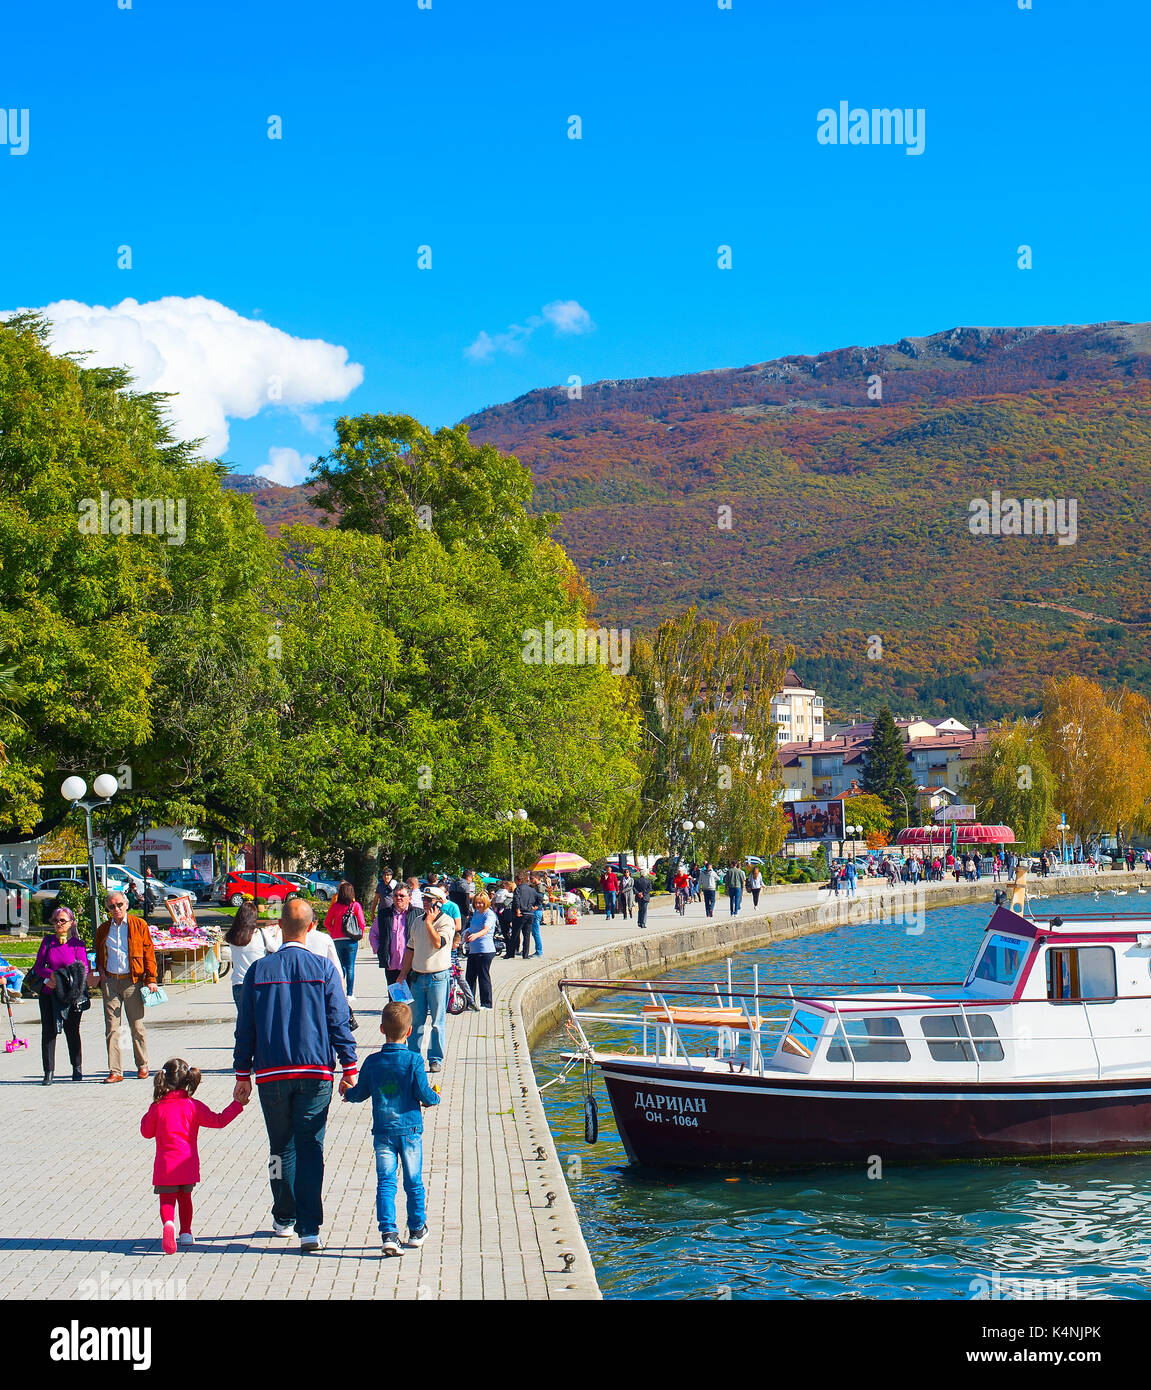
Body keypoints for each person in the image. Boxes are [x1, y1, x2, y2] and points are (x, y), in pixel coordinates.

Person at [233, 897, 357, 1252]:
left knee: (278, 1148)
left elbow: (246, 1028)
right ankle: (309, 1226)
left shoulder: (258, 971)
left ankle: (283, 1215)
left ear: (279, 928)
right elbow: (338, 1020)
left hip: (270, 1074)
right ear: (312, 927)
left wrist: (242, 1074)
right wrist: (350, 1067)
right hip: (316, 1072)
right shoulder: (323, 968)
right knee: (310, 1147)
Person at [343, 1001, 439, 1255]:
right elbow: (424, 1094)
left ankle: (389, 1233)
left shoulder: (372, 1062)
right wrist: (435, 1097)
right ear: (409, 1032)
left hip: (383, 1132)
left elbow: (360, 1093)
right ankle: (417, 1229)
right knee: (413, 1181)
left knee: (386, 1182)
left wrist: (347, 1093)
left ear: (382, 1028)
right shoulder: (414, 1061)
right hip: (410, 1130)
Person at [141, 1057, 244, 1253]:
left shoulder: (158, 1107)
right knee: (185, 1198)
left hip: (165, 1165)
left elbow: (146, 1132)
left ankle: (169, 1224)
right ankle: (186, 1233)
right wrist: (237, 1105)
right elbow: (219, 1120)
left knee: (167, 1200)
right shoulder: (192, 1106)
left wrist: (147, 1114)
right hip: (187, 1164)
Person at [94, 890, 159, 1083]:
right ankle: (116, 1071)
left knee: (136, 1026)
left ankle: (142, 1064)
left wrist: (151, 978)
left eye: (119, 905)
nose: (116, 909)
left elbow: (149, 952)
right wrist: (101, 972)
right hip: (111, 982)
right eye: (112, 906)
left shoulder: (139, 925)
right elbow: (99, 952)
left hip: (133, 980)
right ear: (107, 909)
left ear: (126, 905)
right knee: (112, 1028)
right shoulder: (104, 929)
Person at [31, 904, 90, 1084]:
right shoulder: (48, 942)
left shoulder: (77, 944)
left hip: (71, 994)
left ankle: (77, 1068)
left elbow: (83, 968)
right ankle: (48, 1072)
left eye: (62, 921)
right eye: (55, 921)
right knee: (48, 1032)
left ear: (71, 923)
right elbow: (39, 966)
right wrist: (52, 976)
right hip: (49, 992)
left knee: (72, 1032)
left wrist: (63, 979)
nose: (58, 924)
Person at [397, 891, 452, 1074]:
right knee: (416, 1021)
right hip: (418, 976)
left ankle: (435, 1058)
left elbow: (438, 943)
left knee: (437, 1022)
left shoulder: (446, 921)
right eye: (424, 900)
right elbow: (410, 949)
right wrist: (402, 973)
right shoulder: (417, 921)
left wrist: (429, 923)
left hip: (438, 977)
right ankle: (413, 1057)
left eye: (429, 900)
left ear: (439, 903)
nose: (425, 903)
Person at [224, 903, 280, 1011]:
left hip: (238, 983)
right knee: (260, 1020)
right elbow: (276, 949)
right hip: (259, 982)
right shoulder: (260, 934)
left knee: (244, 1022)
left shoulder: (231, 936)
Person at [323, 882, 365, 1004]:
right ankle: (350, 993)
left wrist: (333, 932)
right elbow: (362, 922)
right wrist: (360, 934)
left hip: (337, 939)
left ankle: (339, 991)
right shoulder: (355, 905)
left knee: (339, 966)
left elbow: (327, 922)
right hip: (351, 939)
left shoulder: (335, 906)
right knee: (350, 966)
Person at [373, 881, 416, 986]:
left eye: (402, 895)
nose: (398, 898)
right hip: (391, 965)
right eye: (395, 895)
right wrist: (380, 950)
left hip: (412, 966)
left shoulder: (417, 914)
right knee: (394, 1000)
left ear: (409, 898)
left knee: (412, 1000)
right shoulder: (384, 915)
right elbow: (373, 935)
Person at [463, 889, 497, 1009]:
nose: (478, 905)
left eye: (481, 903)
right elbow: (472, 927)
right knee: (470, 976)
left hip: (485, 949)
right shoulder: (476, 913)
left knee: (483, 976)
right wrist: (467, 933)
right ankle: (469, 1002)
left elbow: (486, 929)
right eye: (477, 903)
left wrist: (476, 935)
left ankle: (486, 1003)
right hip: (473, 949)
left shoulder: (489, 914)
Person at [508, 872, 541, 960]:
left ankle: (511, 953)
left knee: (515, 933)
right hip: (530, 914)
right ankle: (525, 955)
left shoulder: (518, 889)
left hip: (521, 913)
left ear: (518, 881)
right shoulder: (532, 890)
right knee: (526, 935)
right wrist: (536, 906)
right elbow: (540, 897)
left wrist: (518, 909)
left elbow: (516, 900)